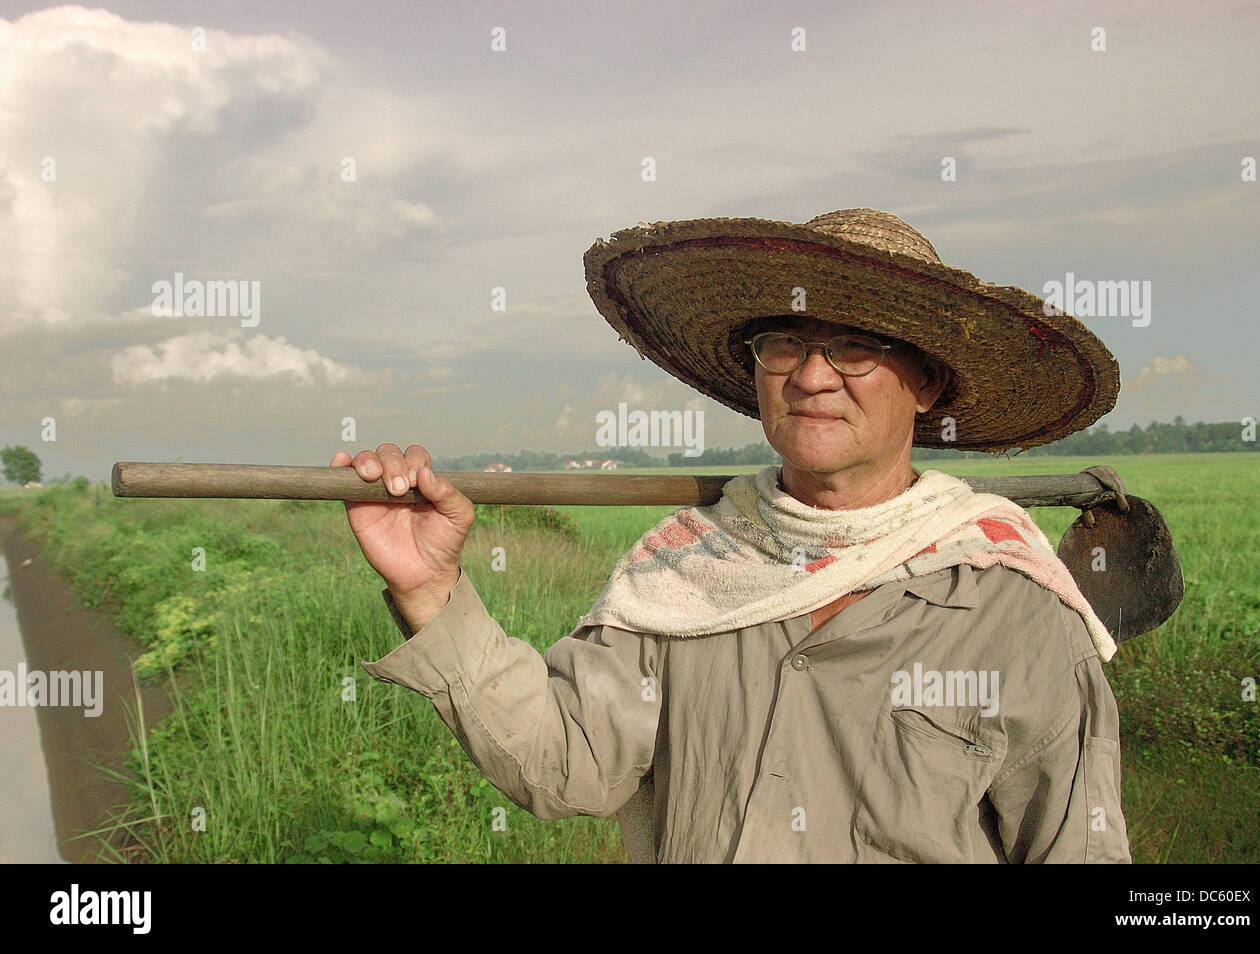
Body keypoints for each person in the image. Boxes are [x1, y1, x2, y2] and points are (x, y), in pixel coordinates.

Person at [333, 208, 1133, 863]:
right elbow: (567, 765)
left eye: (856, 346)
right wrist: (428, 587)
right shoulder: (686, 569)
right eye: (785, 343)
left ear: (924, 381)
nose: (812, 376)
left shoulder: (1012, 609)